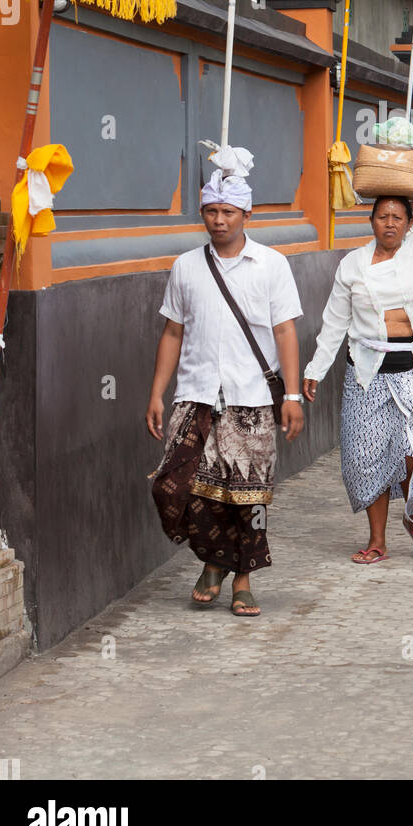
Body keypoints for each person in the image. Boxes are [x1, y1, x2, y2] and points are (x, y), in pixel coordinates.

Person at [147, 157, 304, 618]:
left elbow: (285, 333)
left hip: (251, 400)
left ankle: (242, 578)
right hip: (194, 397)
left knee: (248, 496)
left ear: (246, 215)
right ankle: (211, 561)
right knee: (180, 488)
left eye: (228, 212)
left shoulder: (271, 266)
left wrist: (291, 397)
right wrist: (156, 393)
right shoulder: (186, 267)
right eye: (211, 211)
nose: (218, 220)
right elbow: (173, 333)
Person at [302, 138, 413, 564]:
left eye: (397, 217)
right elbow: (335, 320)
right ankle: (377, 540)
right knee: (365, 456)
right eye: (382, 217)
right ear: (371, 221)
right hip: (365, 371)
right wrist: (316, 368)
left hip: (412, 368)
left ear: (410, 222)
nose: (389, 223)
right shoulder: (352, 265)